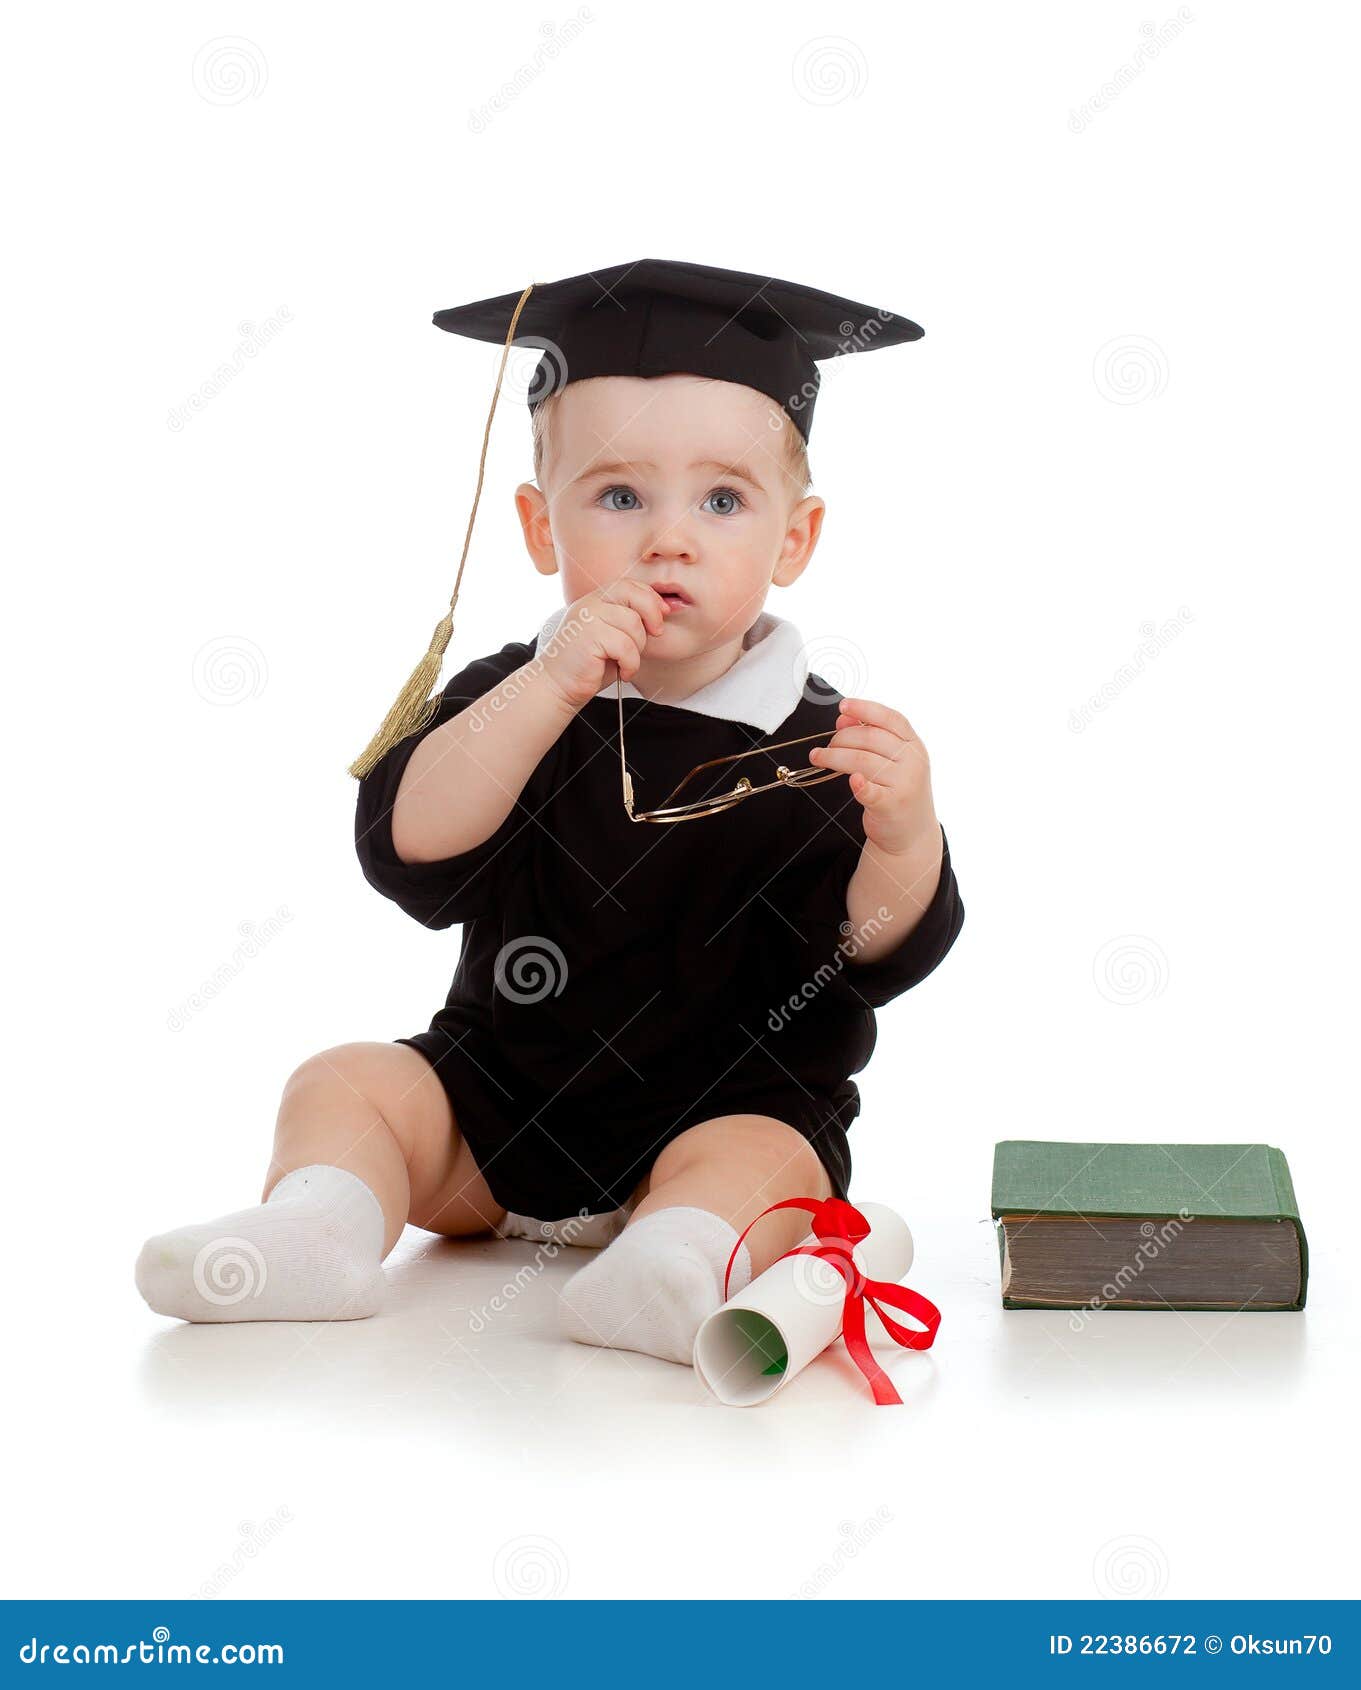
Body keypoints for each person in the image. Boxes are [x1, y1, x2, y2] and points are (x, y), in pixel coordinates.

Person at [135, 259, 965, 1367]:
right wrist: (550, 687)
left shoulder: (818, 745)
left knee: (766, 1161)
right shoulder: (510, 695)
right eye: (619, 497)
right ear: (540, 527)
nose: (668, 538)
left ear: (792, 541)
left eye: (721, 500)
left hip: (721, 1111)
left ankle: (675, 1260)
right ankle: (317, 1234)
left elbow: (867, 950)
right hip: (496, 1110)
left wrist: (904, 832)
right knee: (348, 1082)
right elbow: (412, 843)